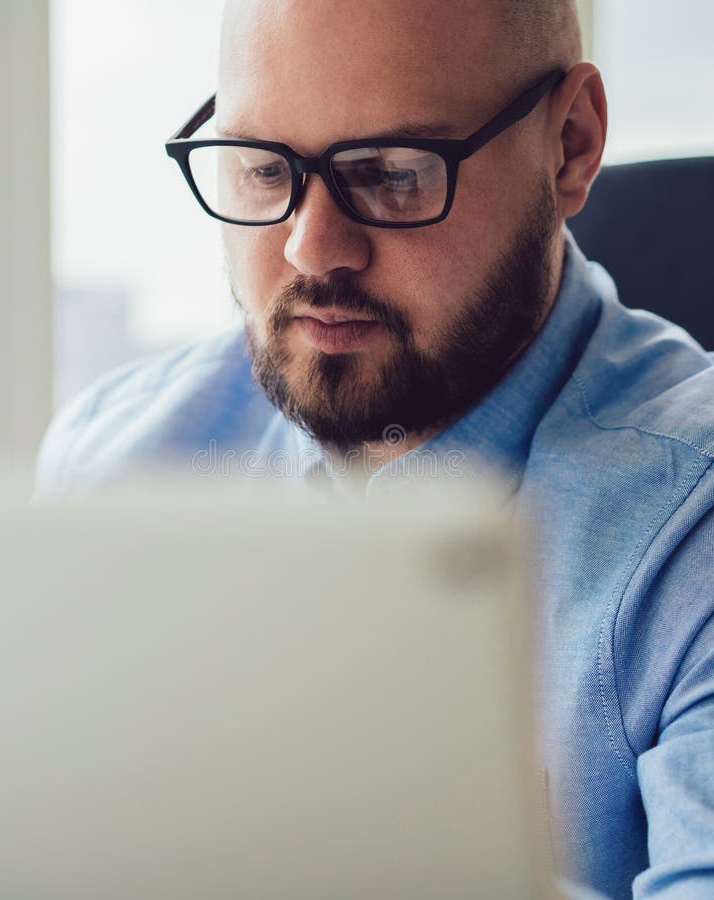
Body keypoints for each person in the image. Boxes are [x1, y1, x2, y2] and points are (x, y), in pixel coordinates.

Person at [36, 0, 714, 896]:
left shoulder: (687, 529)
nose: (312, 248)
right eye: (259, 166)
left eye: (393, 173)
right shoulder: (114, 454)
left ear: (570, 146)